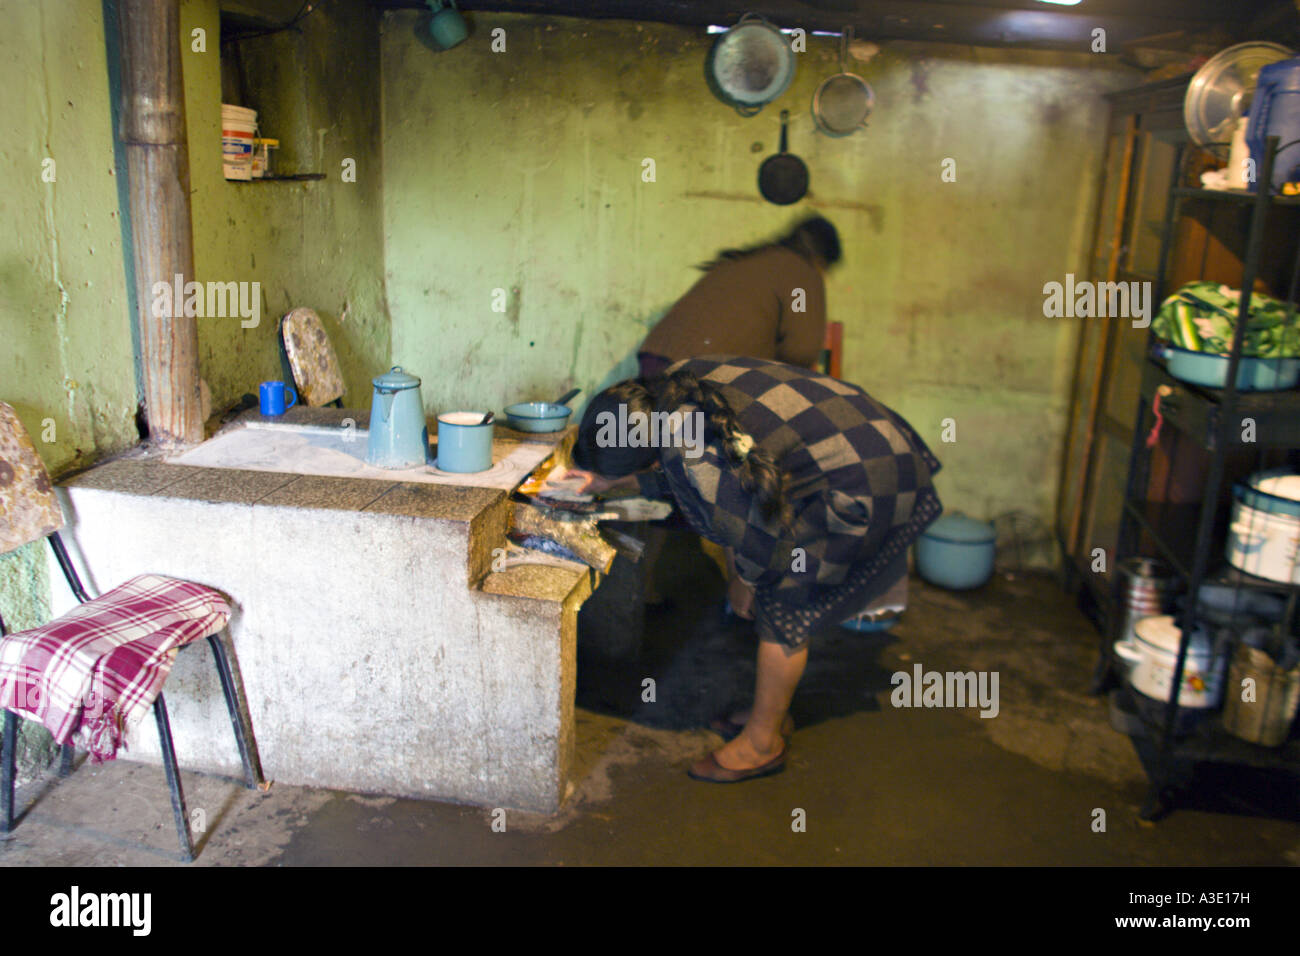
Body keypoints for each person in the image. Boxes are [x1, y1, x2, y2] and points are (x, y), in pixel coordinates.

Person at [566, 356, 943, 783]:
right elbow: (723, 490)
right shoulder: (675, 387)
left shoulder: (701, 465)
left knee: (782, 601)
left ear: (651, 461)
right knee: (766, 584)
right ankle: (771, 709)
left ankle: (763, 741)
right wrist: (607, 479)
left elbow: (752, 534)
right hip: (866, 433)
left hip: (868, 476)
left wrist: (743, 579)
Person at [637, 216, 841, 380]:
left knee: (660, 430)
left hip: (656, 355)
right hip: (703, 372)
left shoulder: (751, 259)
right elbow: (802, 350)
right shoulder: (801, 273)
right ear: (820, 259)